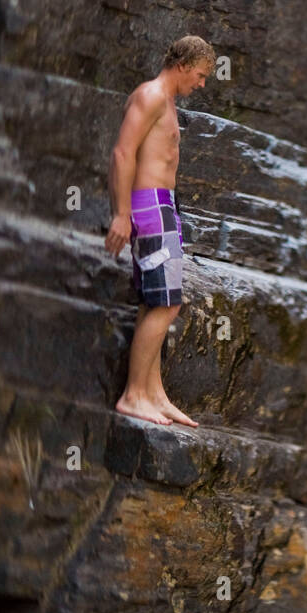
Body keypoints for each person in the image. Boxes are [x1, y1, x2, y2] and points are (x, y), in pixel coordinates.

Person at [104, 35, 215, 427]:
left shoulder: (165, 101)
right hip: (148, 206)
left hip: (163, 206)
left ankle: (154, 393)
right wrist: (121, 214)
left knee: (158, 299)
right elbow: (122, 152)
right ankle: (134, 395)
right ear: (184, 65)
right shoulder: (150, 95)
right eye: (200, 75)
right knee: (167, 303)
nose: (201, 84)